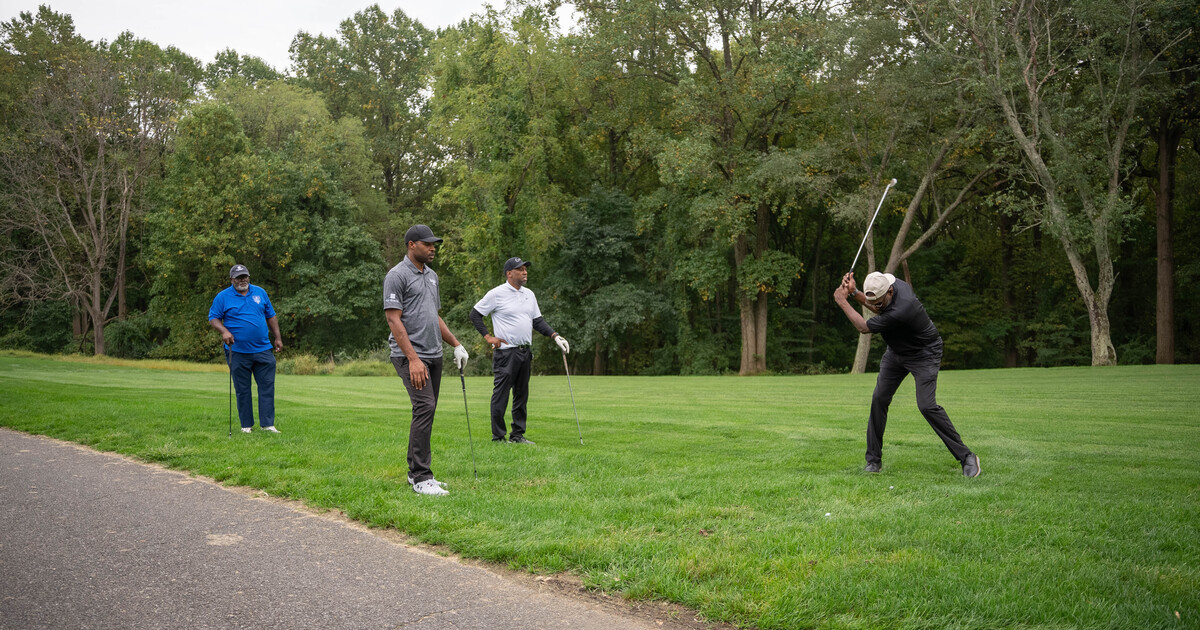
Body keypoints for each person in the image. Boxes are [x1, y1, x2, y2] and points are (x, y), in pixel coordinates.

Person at [833, 271, 980, 477]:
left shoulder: (904, 307)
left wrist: (842, 300)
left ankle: (967, 457)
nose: (877, 305)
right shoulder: (886, 283)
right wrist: (854, 292)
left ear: (890, 291)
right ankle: (873, 461)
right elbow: (875, 304)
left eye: (880, 301)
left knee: (926, 406)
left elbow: (863, 327)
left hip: (924, 353)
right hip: (896, 352)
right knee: (879, 398)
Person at [384, 224, 469, 496]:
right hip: (410, 356)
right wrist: (413, 359)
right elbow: (393, 319)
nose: (433, 248)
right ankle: (422, 477)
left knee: (426, 411)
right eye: (427, 244)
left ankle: (414, 474)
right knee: (424, 407)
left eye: (434, 244)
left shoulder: (432, 276)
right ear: (412, 244)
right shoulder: (396, 276)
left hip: (434, 354)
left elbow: (434, 316)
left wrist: (456, 344)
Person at [469, 257, 570, 445]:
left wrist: (555, 336)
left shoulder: (529, 294)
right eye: (520, 269)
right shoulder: (496, 294)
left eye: (525, 269)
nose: (525, 272)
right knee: (501, 395)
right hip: (506, 354)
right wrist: (488, 337)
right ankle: (498, 437)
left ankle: (517, 435)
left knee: (521, 395)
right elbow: (475, 314)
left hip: (525, 352)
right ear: (509, 273)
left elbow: (537, 321)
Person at [208, 264, 284, 434]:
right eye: (238, 277)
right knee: (242, 389)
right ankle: (246, 426)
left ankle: (268, 425)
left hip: (263, 349)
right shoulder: (223, 297)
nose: (242, 280)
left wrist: (277, 337)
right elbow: (213, 318)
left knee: (267, 386)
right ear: (231, 279)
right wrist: (224, 331)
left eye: (245, 277)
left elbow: (271, 315)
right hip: (238, 351)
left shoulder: (260, 292)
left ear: (249, 277)